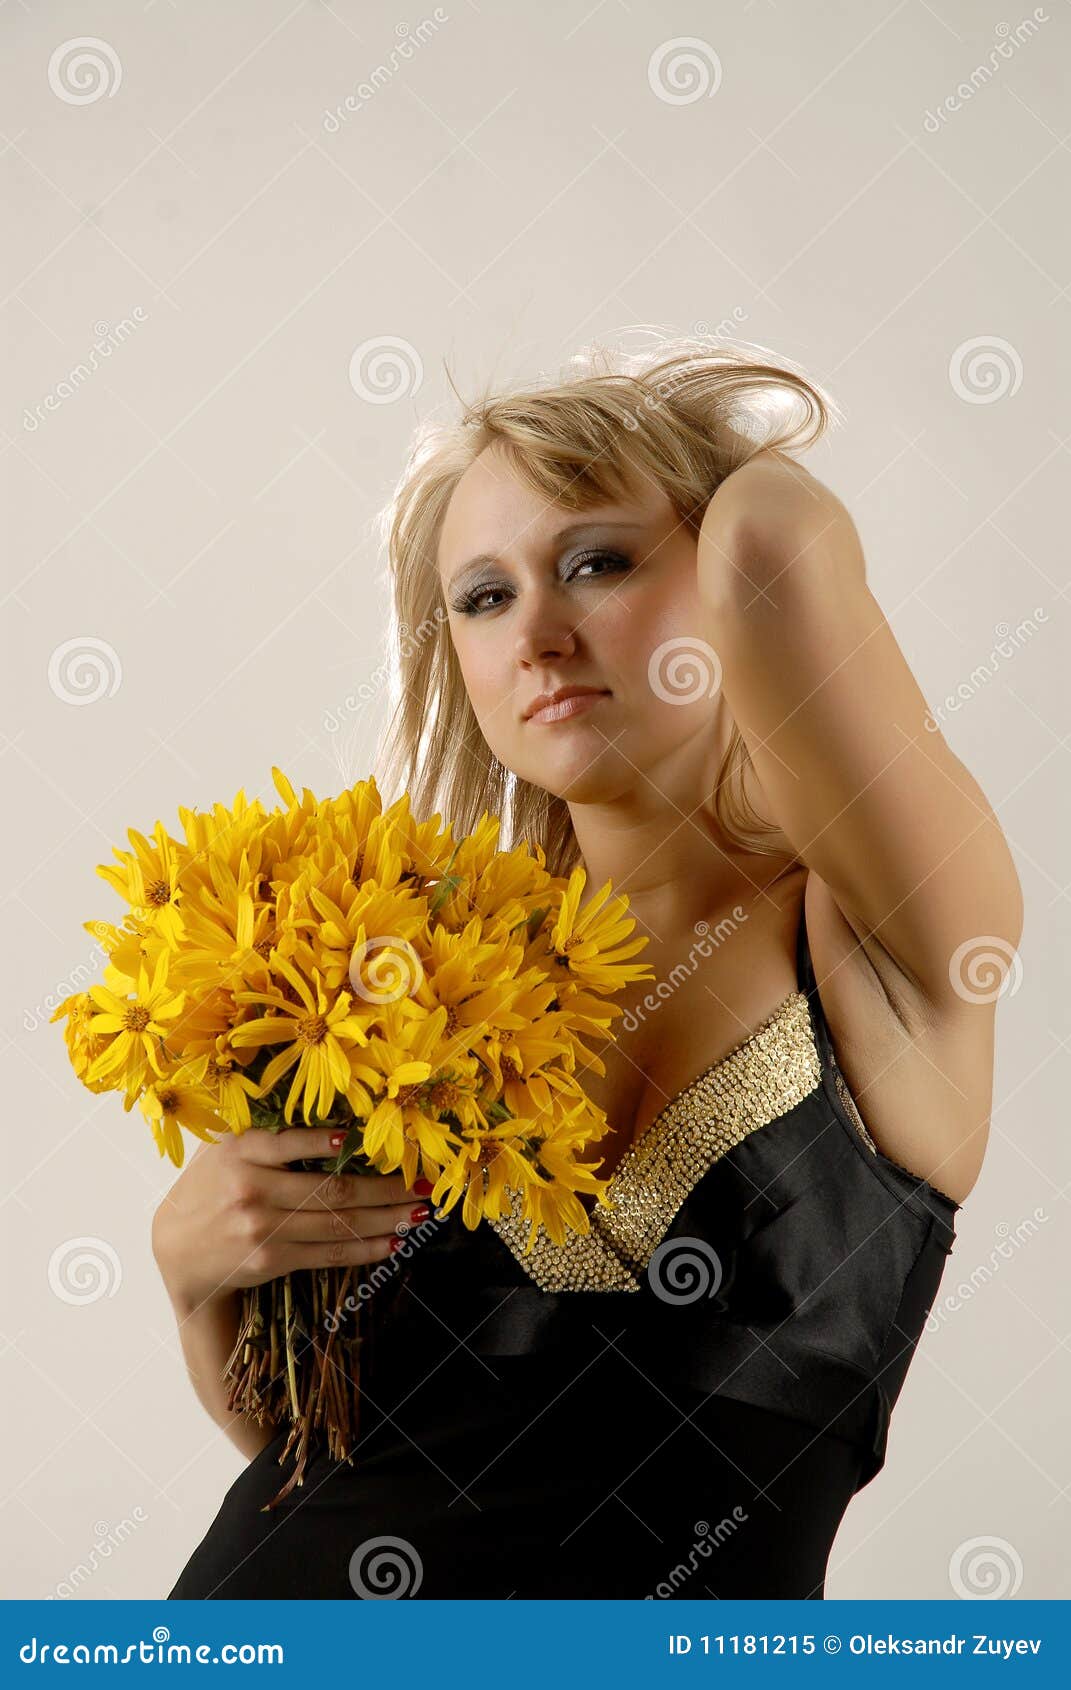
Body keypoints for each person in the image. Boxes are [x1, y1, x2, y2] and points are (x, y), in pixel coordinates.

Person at [161, 336, 1022, 1599]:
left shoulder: (883, 935)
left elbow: (778, 539)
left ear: (712, 571)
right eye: (485, 596)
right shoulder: (405, 978)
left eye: (600, 562)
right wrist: (195, 1283)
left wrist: (709, 456)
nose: (541, 635)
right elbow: (313, 1442)